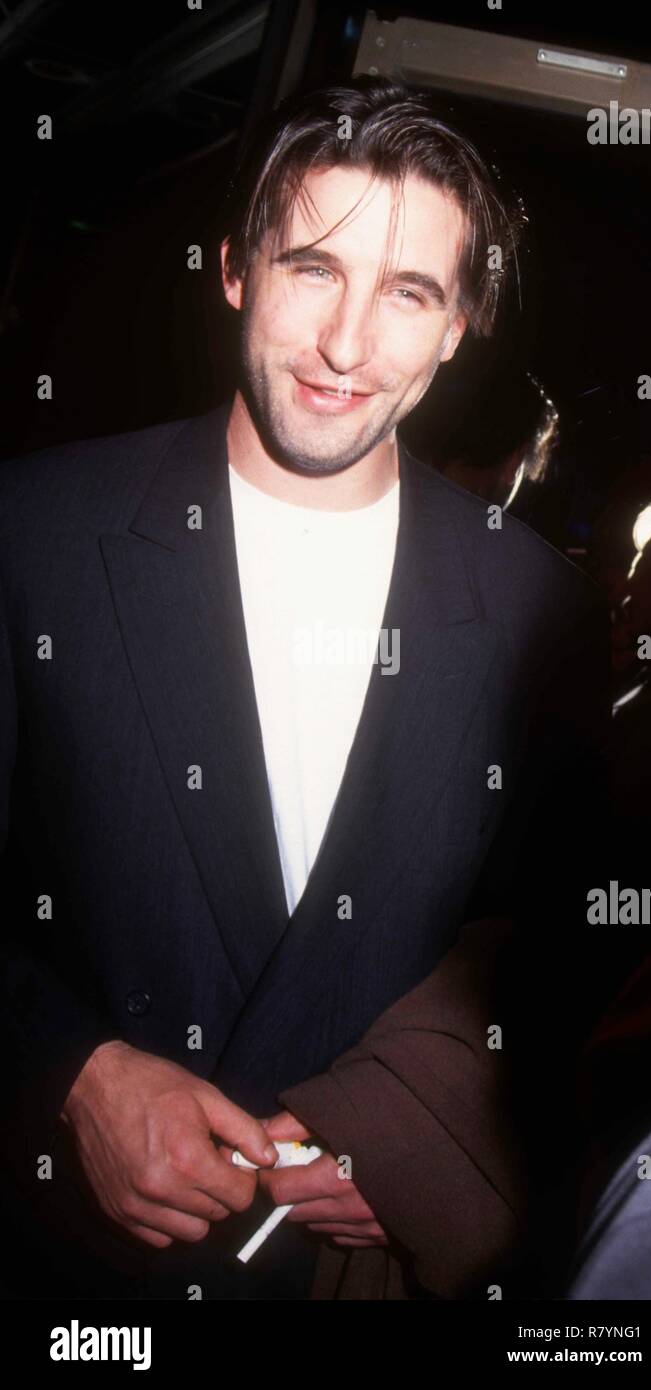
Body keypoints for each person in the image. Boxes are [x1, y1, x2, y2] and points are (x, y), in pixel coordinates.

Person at [0, 76, 608, 1300]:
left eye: (407, 293)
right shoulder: (33, 534)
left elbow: (563, 937)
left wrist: (420, 1131)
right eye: (312, 269)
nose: (345, 345)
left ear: (458, 326)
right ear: (235, 269)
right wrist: (67, 1068)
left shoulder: (540, 606)